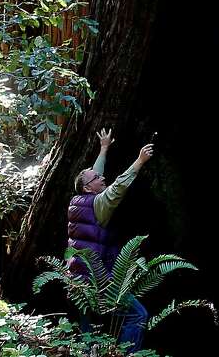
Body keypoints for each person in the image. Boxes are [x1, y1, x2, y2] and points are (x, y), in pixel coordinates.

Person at [67, 128, 155, 352]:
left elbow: (95, 172)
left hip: (78, 281)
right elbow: (118, 187)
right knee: (138, 315)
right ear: (88, 187)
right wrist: (139, 161)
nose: (101, 177)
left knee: (86, 333)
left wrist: (104, 148)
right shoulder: (100, 205)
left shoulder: (79, 201)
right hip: (96, 282)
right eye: (97, 179)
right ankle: (126, 353)